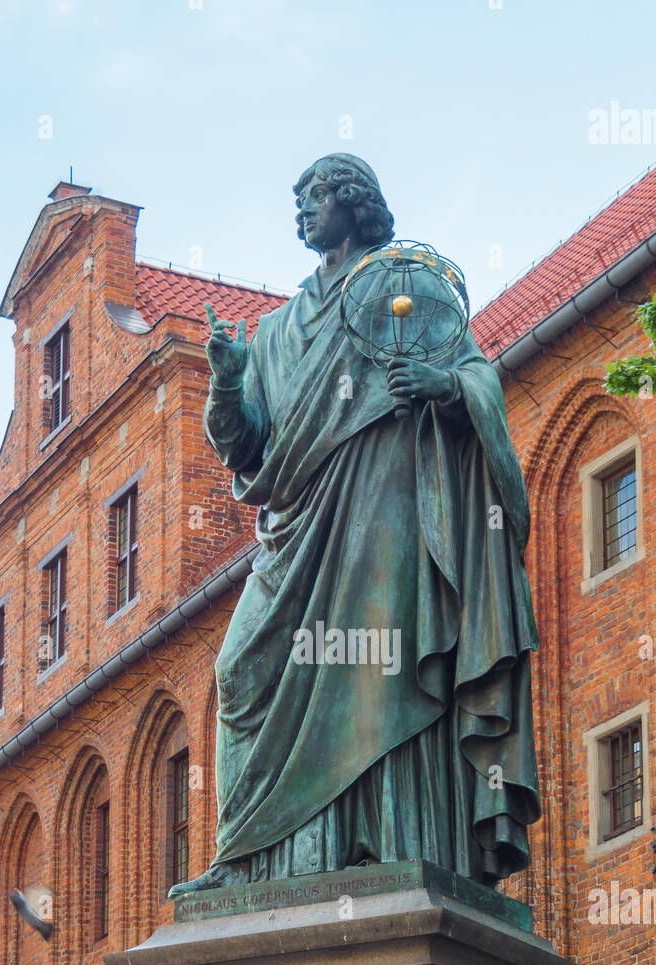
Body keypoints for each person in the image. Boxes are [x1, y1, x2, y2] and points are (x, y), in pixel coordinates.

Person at [171, 153, 539, 895]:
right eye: (297, 199)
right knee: (240, 670)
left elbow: (475, 373)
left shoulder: (403, 284)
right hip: (297, 523)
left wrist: (442, 387)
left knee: (381, 664)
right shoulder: (273, 332)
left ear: (354, 202)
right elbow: (247, 451)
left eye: (314, 196)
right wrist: (229, 378)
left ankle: (391, 841)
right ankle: (251, 855)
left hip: (385, 501)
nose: (301, 210)